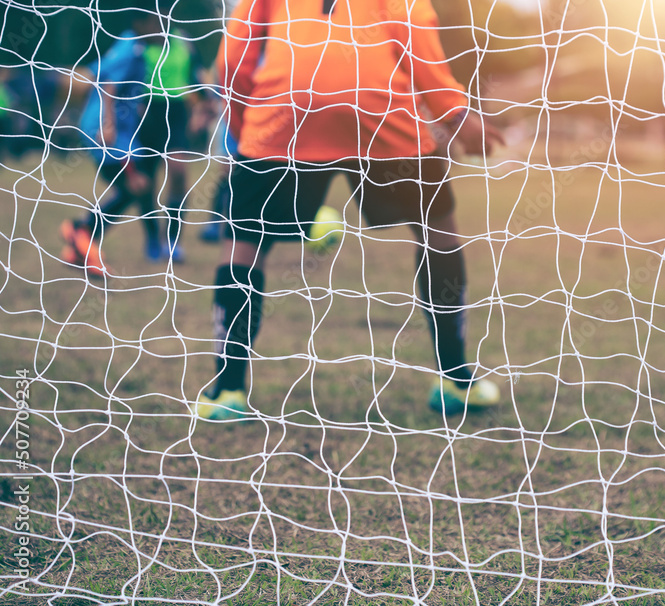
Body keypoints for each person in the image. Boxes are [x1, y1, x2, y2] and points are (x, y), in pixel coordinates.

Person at [194, 0, 505, 420]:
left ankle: (227, 392)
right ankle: (456, 380)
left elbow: (233, 56)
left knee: (243, 244)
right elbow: (415, 35)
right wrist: (455, 114)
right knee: (438, 231)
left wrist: (246, 124)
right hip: (376, 104)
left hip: (285, 107)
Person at [61, 0, 200, 277]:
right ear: (140, 24)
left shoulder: (142, 46)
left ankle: (81, 241)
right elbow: (107, 82)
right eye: (156, 22)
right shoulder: (132, 47)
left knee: (137, 185)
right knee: (135, 185)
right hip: (107, 132)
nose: (163, 27)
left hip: (122, 131)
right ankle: (81, 232)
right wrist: (109, 123)